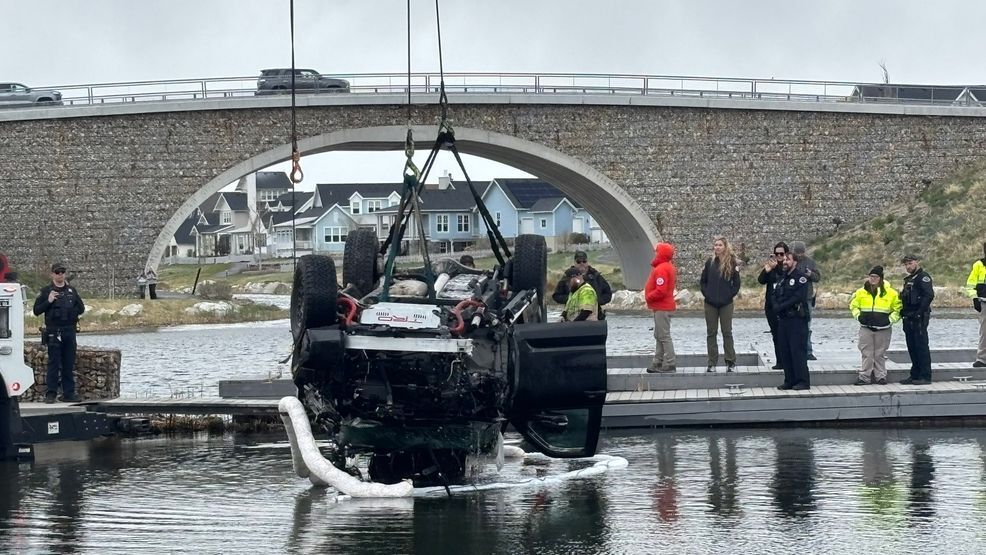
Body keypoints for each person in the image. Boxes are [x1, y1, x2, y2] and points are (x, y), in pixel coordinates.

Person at [33, 262, 86, 403]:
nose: (60, 274)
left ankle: (69, 393)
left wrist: (72, 309)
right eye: (57, 272)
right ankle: (51, 393)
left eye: (62, 272)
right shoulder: (46, 291)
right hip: (53, 331)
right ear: (52, 274)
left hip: (69, 331)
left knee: (68, 363)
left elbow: (81, 309)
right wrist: (49, 301)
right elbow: (36, 311)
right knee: (54, 363)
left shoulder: (71, 290)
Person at [849, 266, 902, 385]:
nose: (873, 278)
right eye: (871, 276)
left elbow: (898, 309)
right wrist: (858, 316)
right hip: (866, 328)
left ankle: (881, 377)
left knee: (880, 354)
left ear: (881, 278)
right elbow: (853, 306)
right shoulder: (860, 292)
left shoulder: (891, 293)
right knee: (866, 353)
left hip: (883, 328)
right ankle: (864, 377)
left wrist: (889, 320)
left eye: (876, 276)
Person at [700, 236, 742, 372]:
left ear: (725, 247)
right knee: (711, 332)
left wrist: (729, 295)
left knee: (727, 332)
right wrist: (707, 294)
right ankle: (712, 362)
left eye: (720, 245)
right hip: (710, 303)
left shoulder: (732, 263)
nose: (717, 247)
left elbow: (736, 284)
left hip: (726, 303)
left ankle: (730, 361)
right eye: (716, 245)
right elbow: (703, 281)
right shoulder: (710, 262)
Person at [772, 252, 811, 390]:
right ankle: (789, 380)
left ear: (795, 262)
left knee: (797, 351)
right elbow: (774, 293)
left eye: (788, 259)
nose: (784, 262)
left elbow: (798, 297)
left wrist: (782, 305)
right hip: (783, 319)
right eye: (784, 260)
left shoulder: (801, 278)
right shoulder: (782, 278)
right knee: (785, 350)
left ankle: (803, 381)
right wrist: (775, 305)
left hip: (797, 319)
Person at [900, 254, 935, 385]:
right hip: (909, 316)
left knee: (921, 346)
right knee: (912, 347)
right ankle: (915, 374)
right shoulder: (909, 279)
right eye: (906, 264)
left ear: (916, 262)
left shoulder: (923, 277)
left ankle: (925, 376)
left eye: (910, 263)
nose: (908, 266)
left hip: (919, 317)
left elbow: (929, 295)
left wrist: (919, 312)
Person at [552, 251, 612, 320]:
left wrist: (597, 300)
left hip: (591, 320)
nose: (582, 264)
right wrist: (564, 314)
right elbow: (557, 296)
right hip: (573, 318)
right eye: (578, 262)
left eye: (584, 261)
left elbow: (587, 311)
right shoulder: (568, 277)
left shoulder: (595, 277)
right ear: (574, 262)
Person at [645, 243, 677, 373]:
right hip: (662, 307)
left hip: (662, 307)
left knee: (663, 336)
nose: (655, 254)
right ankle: (657, 362)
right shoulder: (667, 267)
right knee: (659, 335)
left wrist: (648, 297)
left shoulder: (661, 269)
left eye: (657, 252)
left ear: (661, 254)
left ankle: (670, 363)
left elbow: (661, 290)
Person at [758, 242, 789, 370]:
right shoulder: (771, 266)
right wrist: (767, 270)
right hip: (771, 305)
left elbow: (784, 278)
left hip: (784, 305)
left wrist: (777, 268)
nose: (779, 256)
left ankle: (787, 361)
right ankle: (779, 361)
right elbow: (761, 280)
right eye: (777, 254)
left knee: (785, 334)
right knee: (775, 334)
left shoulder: (787, 266)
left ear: (786, 254)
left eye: (781, 254)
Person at [791, 241, 821, 361]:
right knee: (793, 326)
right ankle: (794, 351)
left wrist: (810, 274)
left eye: (801, 252)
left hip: (806, 298)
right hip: (792, 299)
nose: (799, 255)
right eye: (797, 252)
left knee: (806, 326)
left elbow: (817, 277)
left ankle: (808, 351)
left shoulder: (810, 262)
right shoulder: (790, 261)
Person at [965, 243, 986, 367]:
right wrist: (974, 299)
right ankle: (982, 359)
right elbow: (970, 285)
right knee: (984, 332)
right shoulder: (978, 265)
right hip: (984, 302)